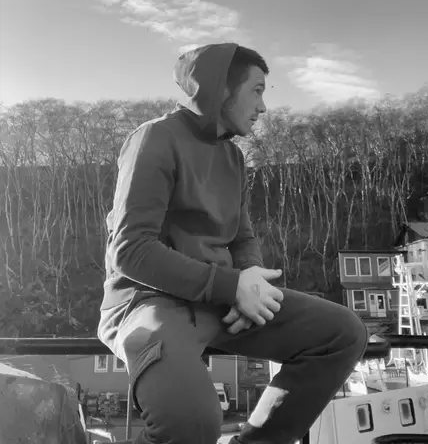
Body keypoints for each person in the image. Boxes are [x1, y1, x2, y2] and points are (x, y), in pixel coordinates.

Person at [97, 42, 367, 444]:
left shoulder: (234, 158)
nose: (263, 107)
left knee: (342, 334)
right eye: (256, 91)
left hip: (222, 300)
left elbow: (242, 236)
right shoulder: (154, 138)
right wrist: (230, 286)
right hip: (151, 302)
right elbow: (131, 250)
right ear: (221, 87)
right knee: (190, 422)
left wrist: (250, 280)